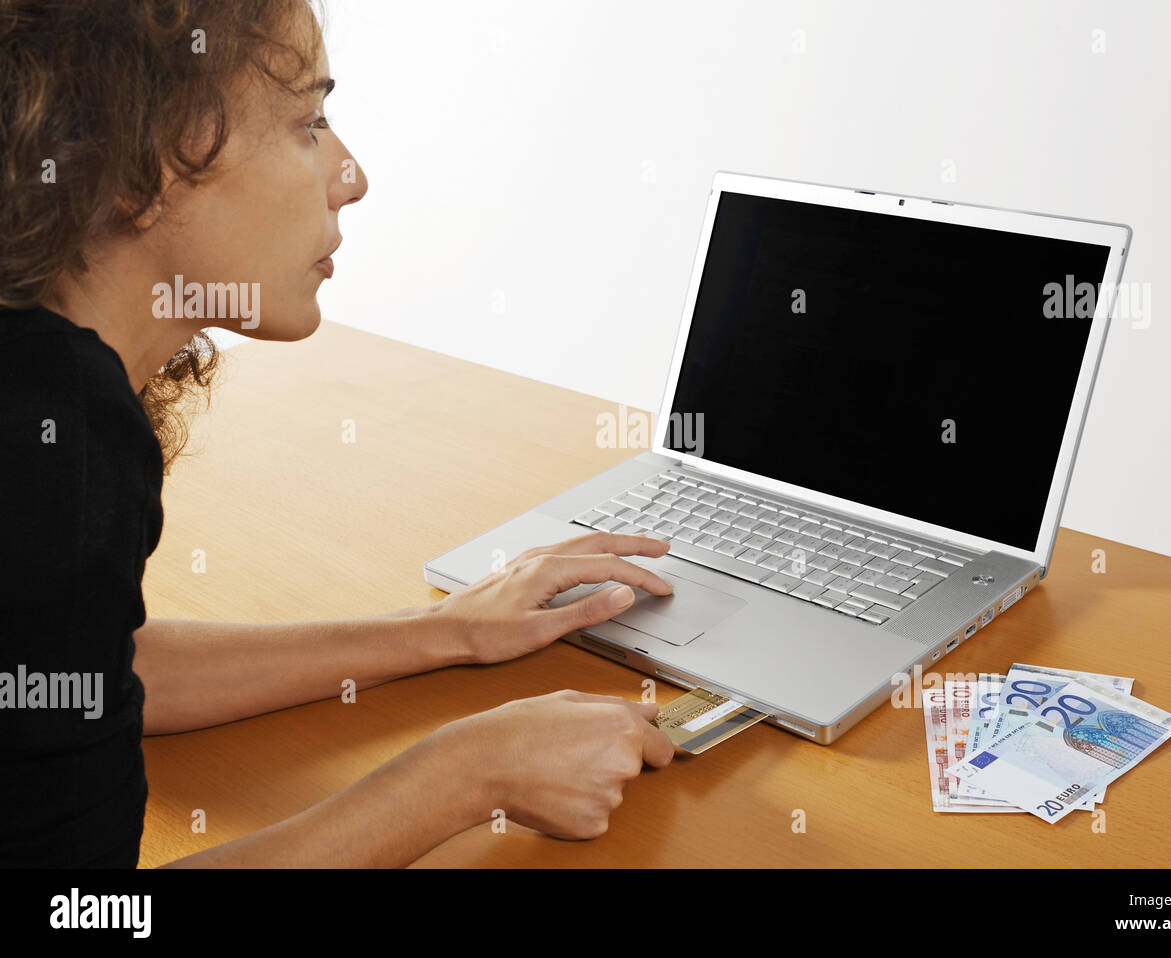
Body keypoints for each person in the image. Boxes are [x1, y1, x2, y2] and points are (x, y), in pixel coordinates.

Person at [0, 0, 675, 867]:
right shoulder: (49, 456)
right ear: (135, 162)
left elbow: (82, 675)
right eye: (307, 122)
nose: (351, 175)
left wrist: (444, 632)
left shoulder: (44, 389)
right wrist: (464, 777)